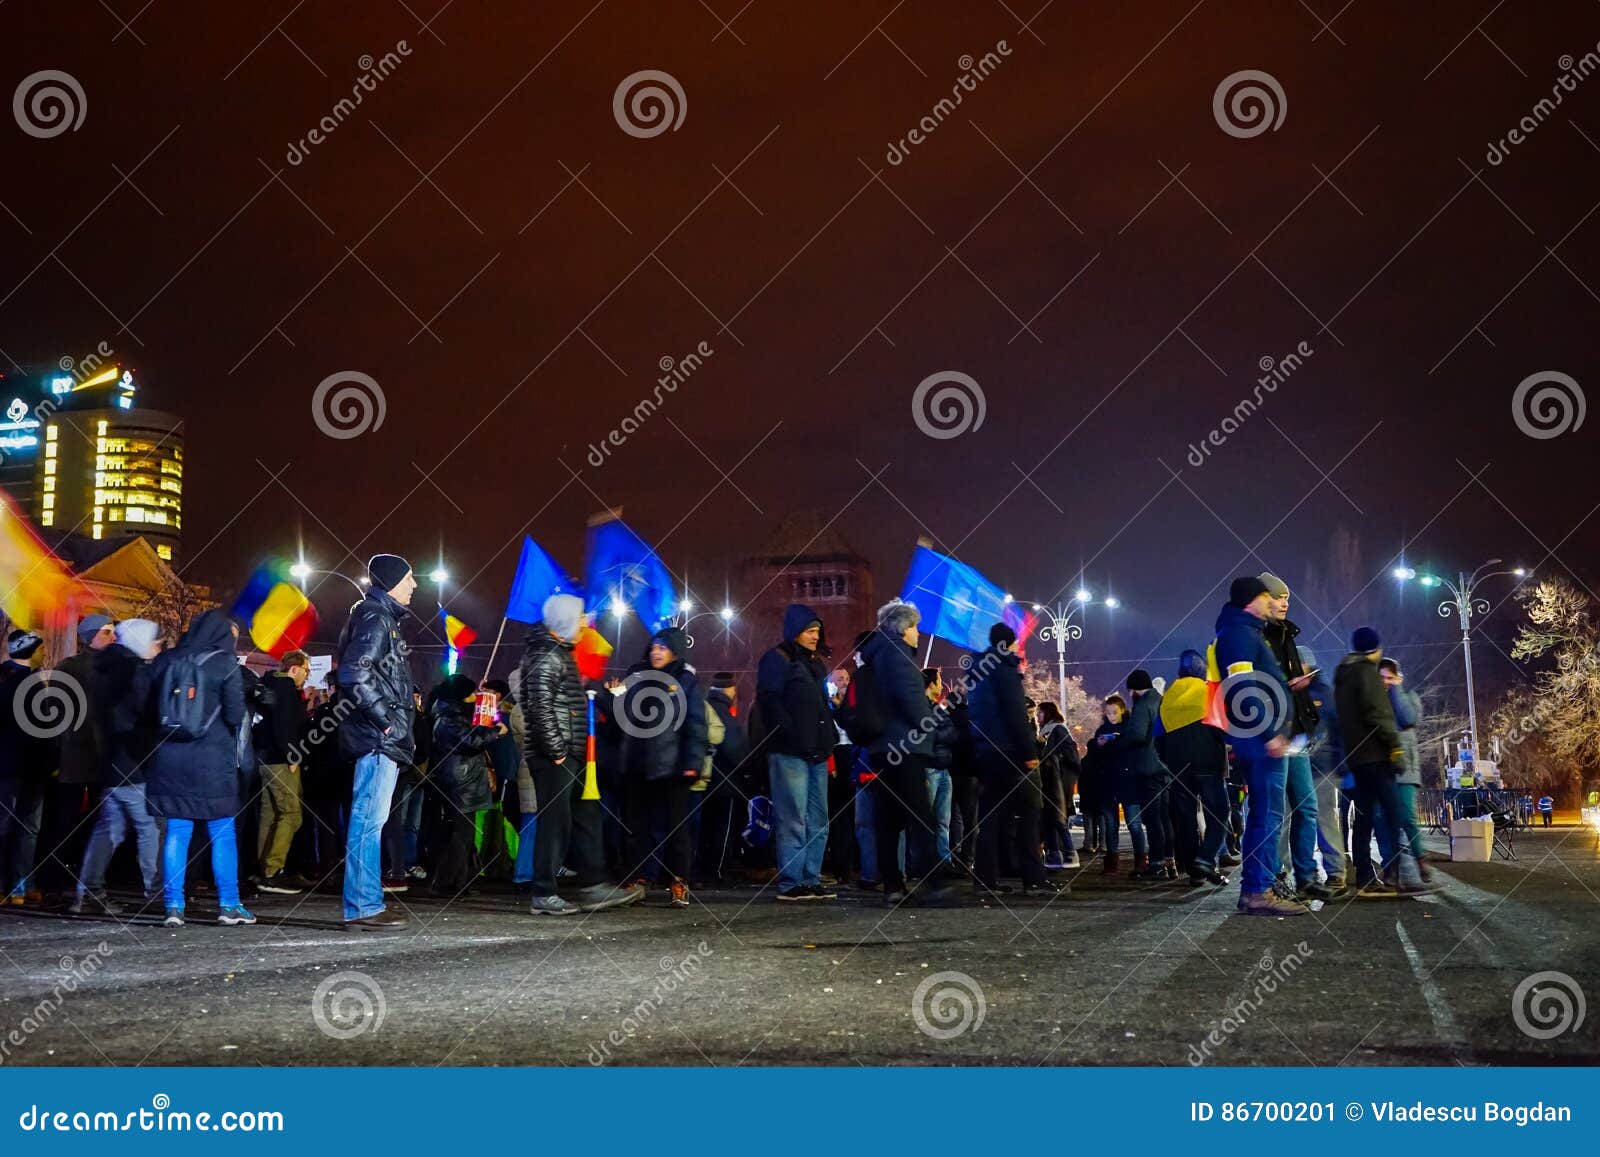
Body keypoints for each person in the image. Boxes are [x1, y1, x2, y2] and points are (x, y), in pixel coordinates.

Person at [521, 593, 643, 915]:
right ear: (562, 622)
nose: (584, 624)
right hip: (554, 757)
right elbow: (539, 708)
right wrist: (557, 752)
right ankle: (543, 893)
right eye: (579, 619)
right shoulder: (545, 656)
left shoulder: (559, 653)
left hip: (568, 754)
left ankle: (594, 885)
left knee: (587, 818)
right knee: (555, 824)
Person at [142, 610, 254, 928]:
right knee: (222, 832)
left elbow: (150, 709)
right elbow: (234, 715)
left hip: (170, 760)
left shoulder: (166, 660)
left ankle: (173, 906)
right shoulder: (225, 664)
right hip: (212, 762)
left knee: (177, 831)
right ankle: (229, 905)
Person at [335, 553, 418, 930]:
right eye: (409, 578)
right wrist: (386, 723)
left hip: (378, 738)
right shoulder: (376, 616)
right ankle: (364, 905)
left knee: (370, 820)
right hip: (376, 740)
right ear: (391, 581)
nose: (414, 585)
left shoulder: (379, 617)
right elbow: (354, 673)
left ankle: (367, 901)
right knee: (368, 821)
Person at [1214, 576, 1305, 915]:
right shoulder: (1239, 634)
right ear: (1253, 599)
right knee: (1267, 815)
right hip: (1260, 741)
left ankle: (1256, 889)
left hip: (1259, 738)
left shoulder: (1246, 631)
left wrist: (1283, 689)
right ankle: (1258, 890)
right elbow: (1240, 688)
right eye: (1269, 596)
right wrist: (1270, 733)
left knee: (1264, 815)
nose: (1274, 602)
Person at [860, 602, 954, 906]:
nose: (918, 633)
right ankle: (934, 882)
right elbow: (913, 704)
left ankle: (893, 885)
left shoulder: (876, 655)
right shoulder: (897, 655)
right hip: (905, 748)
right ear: (902, 628)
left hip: (884, 749)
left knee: (890, 820)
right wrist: (929, 728)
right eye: (914, 626)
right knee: (921, 815)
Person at [71, 619, 163, 914]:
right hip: (133, 760)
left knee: (110, 828)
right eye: (154, 641)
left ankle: (88, 892)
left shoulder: (105, 667)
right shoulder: (134, 670)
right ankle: (157, 891)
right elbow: (145, 714)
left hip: (110, 759)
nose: (156, 647)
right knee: (149, 827)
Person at [616, 626, 707, 908]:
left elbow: (695, 723)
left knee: (676, 829)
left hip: (673, 766)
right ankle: (637, 879)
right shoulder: (636, 676)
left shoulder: (686, 681)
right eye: (654, 647)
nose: (656, 652)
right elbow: (623, 716)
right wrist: (611, 697)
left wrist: (693, 762)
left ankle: (678, 881)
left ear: (675, 652)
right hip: (637, 763)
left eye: (663, 648)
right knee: (635, 827)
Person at [1335, 627, 1431, 897]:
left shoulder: (1343, 675)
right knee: (1393, 814)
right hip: (1377, 759)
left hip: (1358, 759)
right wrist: (1394, 748)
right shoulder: (1366, 673)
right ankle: (1402, 875)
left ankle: (1370, 877)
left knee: (1367, 819)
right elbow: (1380, 716)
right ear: (1375, 649)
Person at [968, 622, 1060, 898]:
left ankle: (985, 880)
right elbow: (1014, 715)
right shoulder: (1004, 670)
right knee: (1031, 812)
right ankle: (1034, 879)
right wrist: (1029, 753)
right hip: (1008, 752)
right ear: (1009, 644)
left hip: (986, 751)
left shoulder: (977, 671)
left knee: (991, 817)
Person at [755, 603, 835, 902]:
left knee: (818, 819)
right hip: (789, 753)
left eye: (817, 631)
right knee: (793, 819)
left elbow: (820, 708)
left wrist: (826, 741)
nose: (815, 636)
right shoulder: (777, 660)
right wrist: (789, 733)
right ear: (795, 631)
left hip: (816, 753)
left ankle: (811, 878)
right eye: (809, 631)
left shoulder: (815, 665)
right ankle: (792, 881)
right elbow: (770, 701)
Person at [1259, 573, 1328, 901]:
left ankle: (1306, 876)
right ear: (1263, 599)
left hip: (1295, 734)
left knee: (1306, 806)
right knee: (1275, 812)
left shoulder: (1286, 634)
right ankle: (1273, 877)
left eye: (1287, 596)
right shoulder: (1256, 637)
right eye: (1278, 596)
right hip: (1274, 734)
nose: (1285, 602)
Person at [39, 613, 116, 900]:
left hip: (89, 758)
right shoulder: (71, 668)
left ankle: (62, 881)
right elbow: (53, 713)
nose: (113, 637)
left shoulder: (94, 668)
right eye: (107, 632)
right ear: (92, 635)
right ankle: (59, 881)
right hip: (79, 757)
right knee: (71, 822)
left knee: (88, 822)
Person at [428, 673, 506, 895]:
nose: (475, 696)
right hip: (460, 782)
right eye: (471, 693)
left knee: (465, 834)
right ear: (460, 695)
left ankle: (459, 882)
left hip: (465, 780)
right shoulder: (448, 717)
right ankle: (445, 883)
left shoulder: (455, 714)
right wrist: (494, 732)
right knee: (459, 835)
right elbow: (469, 741)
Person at [1158, 649, 1231, 886]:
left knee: (1186, 818)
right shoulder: (1208, 691)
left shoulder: (1169, 696)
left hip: (1177, 768)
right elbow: (1223, 728)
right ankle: (1206, 858)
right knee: (1219, 813)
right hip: (1208, 763)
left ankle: (1194, 871)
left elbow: (1158, 736)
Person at [253, 650, 312, 895]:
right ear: (294, 669)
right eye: (306, 670)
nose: (307, 676)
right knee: (291, 813)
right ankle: (271, 871)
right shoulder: (287, 690)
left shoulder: (267, 685)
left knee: (270, 813)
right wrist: (293, 756)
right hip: (281, 760)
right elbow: (285, 725)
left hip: (264, 758)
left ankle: (261, 868)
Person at [0, 630, 51, 905]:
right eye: (41, 648)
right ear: (32, 651)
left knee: (4, 826)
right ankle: (20, 885)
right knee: (27, 828)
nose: (44, 653)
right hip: (30, 768)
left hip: (5, 767)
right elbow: (43, 730)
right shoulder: (33, 684)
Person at [1300, 645, 1349, 897]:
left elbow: (1338, 731)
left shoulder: (1324, 694)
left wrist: (1342, 765)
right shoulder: (1300, 693)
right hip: (1302, 766)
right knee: (1304, 822)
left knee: (1324, 819)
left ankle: (1336, 873)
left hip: (1322, 768)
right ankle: (1304, 874)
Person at [1118, 669, 1174, 881]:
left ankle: (1157, 863)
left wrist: (1119, 740)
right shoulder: (1161, 700)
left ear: (1133, 690)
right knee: (1164, 817)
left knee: (1152, 819)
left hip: (1147, 767)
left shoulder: (1142, 705)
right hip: (1163, 768)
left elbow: (1137, 735)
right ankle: (1170, 860)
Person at [1380, 657, 1428, 886]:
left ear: (1398, 678)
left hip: (1407, 769)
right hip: (1384, 770)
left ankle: (1421, 861)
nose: (1385, 682)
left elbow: (1408, 719)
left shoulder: (1409, 699)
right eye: (1381, 678)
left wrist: (1396, 690)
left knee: (1407, 816)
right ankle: (1391, 868)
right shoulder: (1376, 703)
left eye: (1390, 677)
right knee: (1384, 820)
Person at [697, 672, 749, 884]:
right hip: (726, 783)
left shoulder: (702, 708)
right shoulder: (726, 716)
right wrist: (747, 769)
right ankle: (717, 872)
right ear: (730, 690)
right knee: (723, 830)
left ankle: (700, 869)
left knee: (705, 828)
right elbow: (736, 750)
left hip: (704, 781)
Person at [1092, 694, 1141, 876]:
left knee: (1134, 824)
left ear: (1122, 711)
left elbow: (1133, 749)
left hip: (1128, 781)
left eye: (1115, 712)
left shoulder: (1129, 729)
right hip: (1108, 782)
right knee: (1110, 825)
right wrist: (1098, 745)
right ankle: (1111, 862)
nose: (1112, 716)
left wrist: (1115, 742)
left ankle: (1140, 862)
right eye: (1109, 712)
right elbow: (1095, 754)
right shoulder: (1102, 730)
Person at [1035, 700, 1079, 870]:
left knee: (1057, 817)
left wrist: (1059, 772)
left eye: (1040, 712)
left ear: (1049, 713)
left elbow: (1069, 757)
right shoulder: (1047, 731)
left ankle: (1068, 853)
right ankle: (1055, 855)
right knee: (1050, 818)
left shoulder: (1057, 730)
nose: (1038, 716)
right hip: (1051, 780)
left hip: (1057, 781)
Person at [924, 669, 957, 866]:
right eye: (939, 681)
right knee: (927, 819)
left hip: (944, 769)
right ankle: (925, 862)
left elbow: (949, 734)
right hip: (930, 768)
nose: (941, 685)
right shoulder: (922, 708)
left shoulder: (937, 708)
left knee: (943, 821)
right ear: (930, 684)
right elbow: (931, 735)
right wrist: (945, 734)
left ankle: (944, 860)